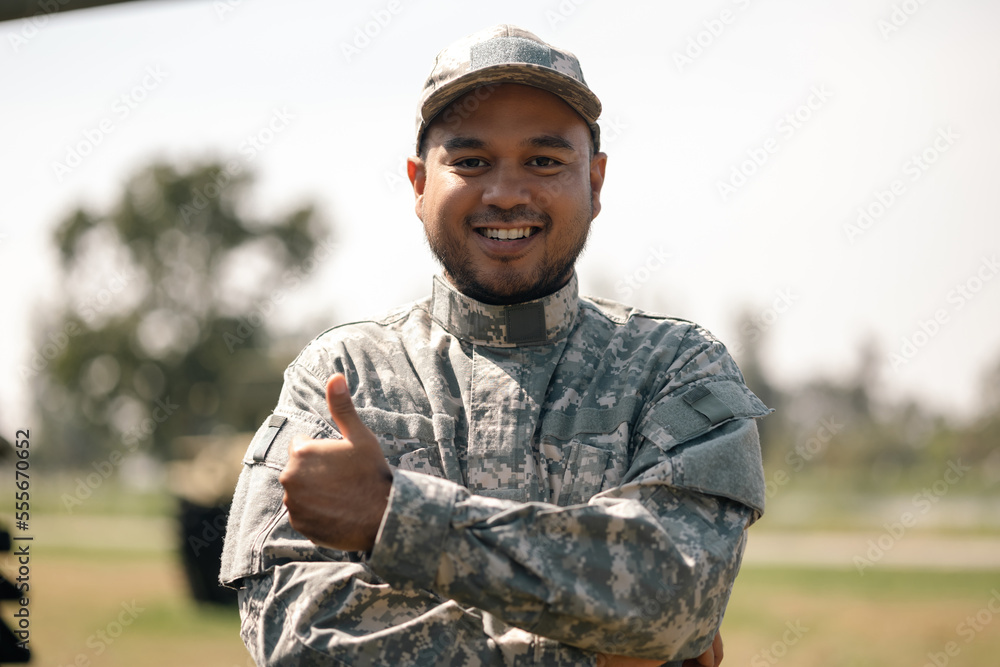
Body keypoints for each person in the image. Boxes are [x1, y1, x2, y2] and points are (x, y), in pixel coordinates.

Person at [220, 24, 770, 667]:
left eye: (544, 161)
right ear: (418, 182)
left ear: (595, 184)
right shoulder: (341, 376)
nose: (506, 194)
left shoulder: (674, 371)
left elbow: (671, 594)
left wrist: (391, 517)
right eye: (471, 161)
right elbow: (300, 640)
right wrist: (594, 653)